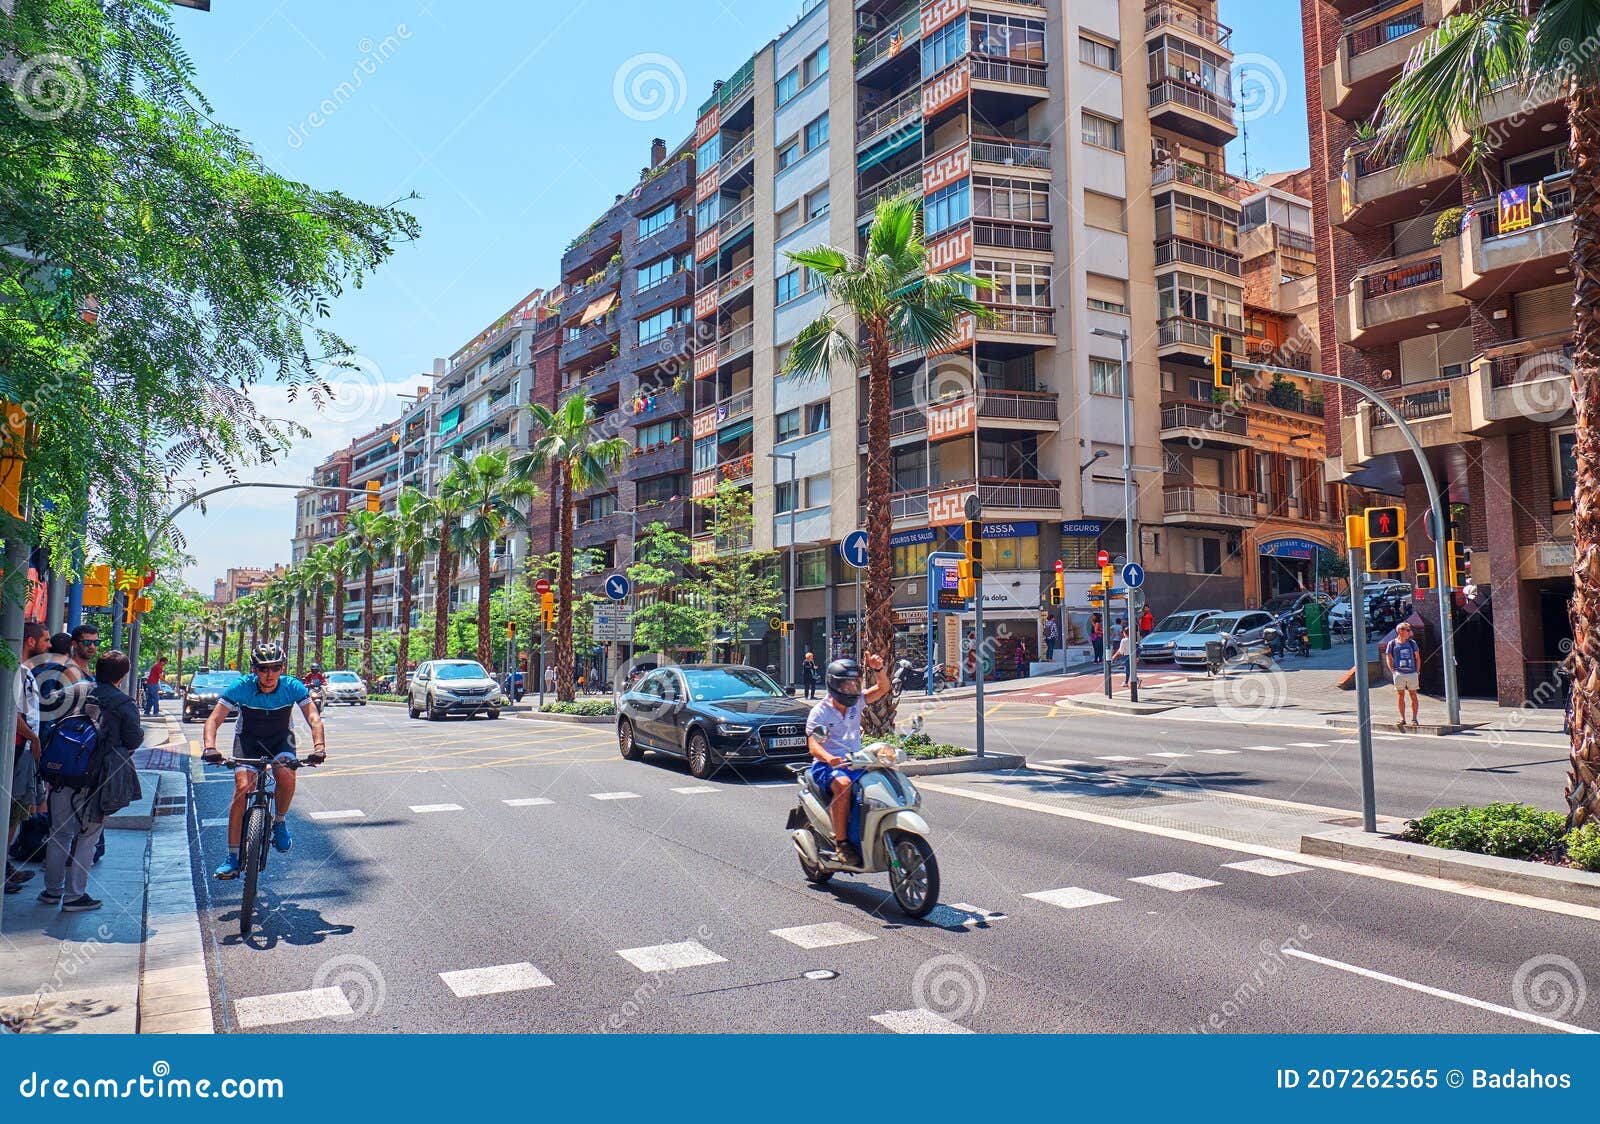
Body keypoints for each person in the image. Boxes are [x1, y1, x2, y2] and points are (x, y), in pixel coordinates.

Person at [201, 643, 326, 879]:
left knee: (286, 774)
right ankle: (232, 856)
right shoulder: (241, 687)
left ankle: (279, 822)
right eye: (262, 668)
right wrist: (210, 747)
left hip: (281, 741)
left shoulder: (292, 686)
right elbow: (214, 719)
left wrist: (319, 748)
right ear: (254, 670)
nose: (269, 675)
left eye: (275, 668)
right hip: (247, 741)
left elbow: (313, 717)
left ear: (282, 668)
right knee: (242, 788)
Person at [39, 650, 144, 912]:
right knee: (88, 836)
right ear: (122, 676)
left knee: (59, 834)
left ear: (97, 669)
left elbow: (47, 711)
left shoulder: (75, 690)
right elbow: (133, 740)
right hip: (97, 779)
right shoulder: (123, 702)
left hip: (62, 774)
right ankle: (75, 896)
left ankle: (51, 891)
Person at [805, 654, 890, 867]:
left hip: (857, 762)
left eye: (856, 683)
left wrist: (878, 670)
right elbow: (814, 745)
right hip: (828, 766)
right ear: (834, 685)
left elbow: (882, 689)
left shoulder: (856, 703)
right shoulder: (821, 712)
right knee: (842, 785)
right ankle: (841, 844)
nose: (853, 688)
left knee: (882, 780)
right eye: (847, 684)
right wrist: (828, 757)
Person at [6, 622, 47, 894]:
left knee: (18, 810)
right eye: (44, 640)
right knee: (14, 811)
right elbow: (14, 713)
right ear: (30, 641)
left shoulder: (24, 671)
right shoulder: (18, 671)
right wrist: (33, 738)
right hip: (20, 749)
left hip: (22, 749)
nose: (49, 645)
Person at [1384, 621, 1423, 728]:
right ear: (1400, 631)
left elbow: (1417, 657)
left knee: (1413, 694)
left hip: (1412, 672)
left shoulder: (1412, 643)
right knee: (1400, 695)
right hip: (1399, 673)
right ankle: (1402, 718)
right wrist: (1392, 670)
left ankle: (1414, 718)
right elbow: (1388, 656)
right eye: (1408, 630)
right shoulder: (1392, 643)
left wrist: (1417, 671)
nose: (1410, 632)